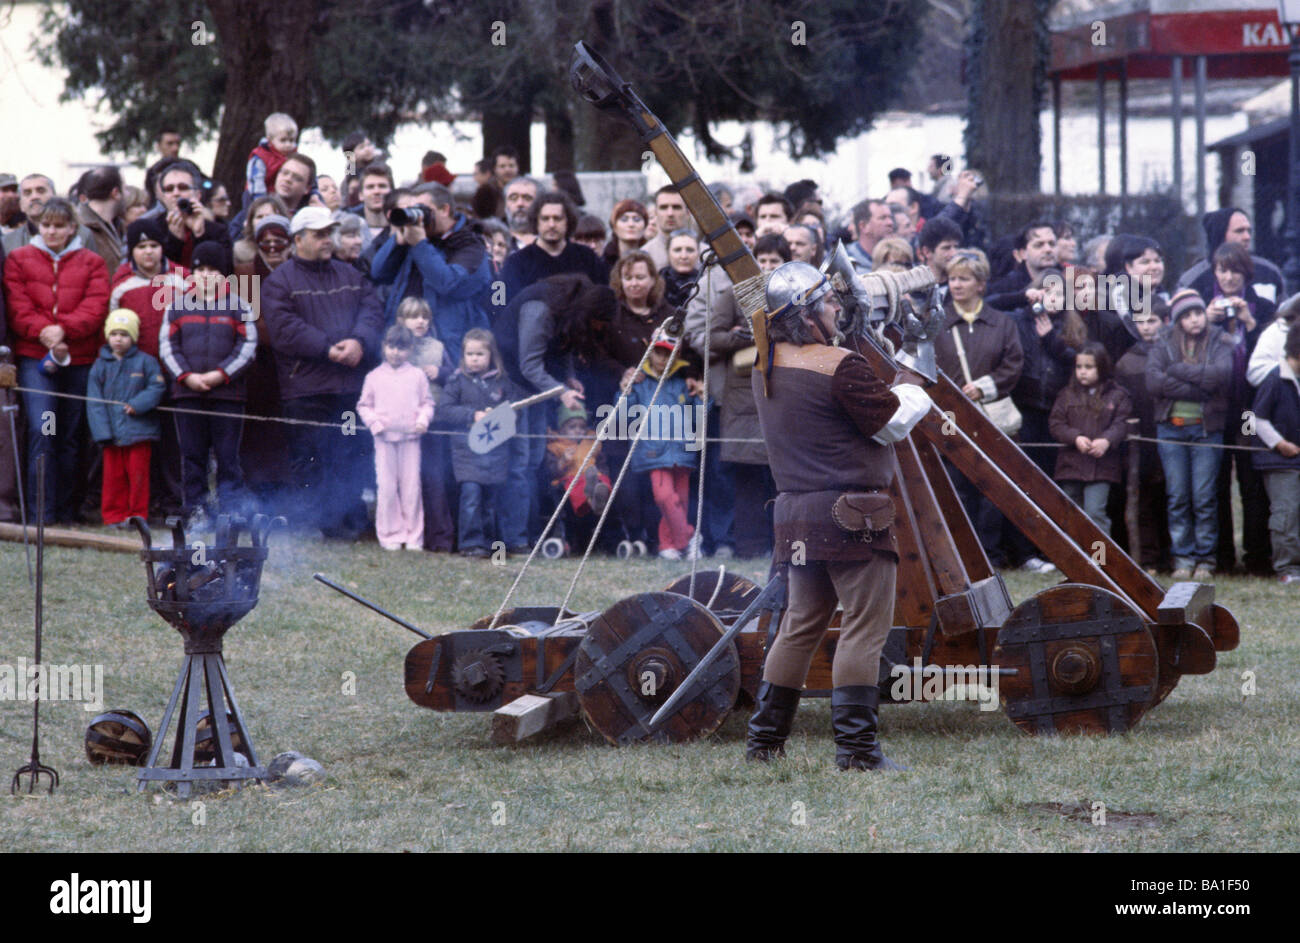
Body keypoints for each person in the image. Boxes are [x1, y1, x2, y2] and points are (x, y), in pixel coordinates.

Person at [745, 260, 932, 770]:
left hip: (796, 515)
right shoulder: (837, 365)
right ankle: (856, 752)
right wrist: (917, 368)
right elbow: (892, 424)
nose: (837, 308)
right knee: (865, 630)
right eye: (828, 303)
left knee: (800, 625)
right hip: (852, 513)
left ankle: (764, 745)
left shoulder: (766, 361)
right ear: (806, 318)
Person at [260, 206, 385, 539]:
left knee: (349, 453)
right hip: (306, 389)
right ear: (298, 239)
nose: (327, 240)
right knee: (309, 458)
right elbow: (285, 329)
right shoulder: (279, 281)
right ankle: (314, 524)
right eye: (318, 234)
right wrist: (328, 348)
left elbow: (372, 311)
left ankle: (352, 522)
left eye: (329, 232)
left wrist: (359, 341)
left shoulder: (350, 274)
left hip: (348, 386)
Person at [3, 197, 109, 522]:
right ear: (38, 225)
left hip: (78, 360)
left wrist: (63, 332)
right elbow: (18, 307)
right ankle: (40, 512)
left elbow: (95, 306)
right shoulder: (19, 259)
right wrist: (45, 333)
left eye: (59, 226)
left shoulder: (92, 262)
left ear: (71, 228)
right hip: (38, 362)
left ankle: (67, 510)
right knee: (44, 428)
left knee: (70, 434)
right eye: (47, 225)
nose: (52, 231)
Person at [933, 248, 1023, 568]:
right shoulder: (937, 322)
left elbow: (1014, 364)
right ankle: (960, 556)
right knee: (956, 489)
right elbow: (925, 367)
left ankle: (991, 556)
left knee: (993, 491)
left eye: (964, 279)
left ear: (981, 284)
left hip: (990, 420)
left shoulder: (1002, 323)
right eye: (953, 278)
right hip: (950, 419)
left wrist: (984, 387)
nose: (956, 285)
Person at [158, 242, 258, 528]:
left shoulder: (240, 306)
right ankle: (197, 511)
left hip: (228, 395)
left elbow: (248, 346)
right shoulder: (176, 307)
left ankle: (231, 511)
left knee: (228, 457)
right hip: (187, 394)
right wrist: (187, 376)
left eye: (213, 270)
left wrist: (220, 375)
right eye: (200, 269)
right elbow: (167, 346)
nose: (206, 276)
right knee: (192, 456)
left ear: (224, 275)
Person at [1147, 289, 1235, 580]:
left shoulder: (1221, 340)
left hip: (1206, 430)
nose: (1194, 320)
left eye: (1198, 313)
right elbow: (1154, 382)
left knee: (1204, 496)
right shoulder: (1162, 342)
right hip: (1170, 428)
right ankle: (1183, 557)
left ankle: (1206, 559)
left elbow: (1220, 375)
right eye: (1186, 315)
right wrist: (1198, 384)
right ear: (1177, 320)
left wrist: (1176, 371)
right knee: (1178, 495)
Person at [110, 216, 190, 517]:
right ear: (132, 250)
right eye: (141, 246)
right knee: (143, 439)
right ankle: (147, 500)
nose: (148, 252)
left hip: (176, 371)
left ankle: (175, 500)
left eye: (154, 245)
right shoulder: (121, 286)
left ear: (163, 247)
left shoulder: (183, 279)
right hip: (138, 376)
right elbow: (112, 330)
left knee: (174, 439)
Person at [1207, 241, 1275, 574]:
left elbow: (1271, 354)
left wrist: (1250, 322)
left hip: (1248, 411)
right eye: (1222, 269)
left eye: (1235, 269)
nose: (1229, 276)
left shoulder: (1261, 306)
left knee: (1250, 481)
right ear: (1215, 272)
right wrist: (1207, 320)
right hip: (1217, 410)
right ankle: (1221, 558)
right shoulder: (1203, 306)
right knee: (1216, 481)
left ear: (1244, 271)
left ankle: (1256, 557)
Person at [370, 182, 492, 363]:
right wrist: (397, 241)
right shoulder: (416, 237)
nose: (419, 216)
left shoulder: (470, 243)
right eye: (414, 210)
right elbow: (378, 273)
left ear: (444, 209)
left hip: (447, 349)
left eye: (423, 210)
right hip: (403, 344)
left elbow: (447, 283)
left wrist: (419, 244)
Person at [622, 329, 704, 559]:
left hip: (683, 451)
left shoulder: (682, 383)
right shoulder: (640, 382)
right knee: (664, 496)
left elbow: (699, 419)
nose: (662, 359)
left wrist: (701, 398)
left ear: (677, 355)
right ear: (649, 352)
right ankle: (688, 536)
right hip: (653, 452)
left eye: (668, 354)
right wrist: (625, 393)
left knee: (681, 500)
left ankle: (668, 545)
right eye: (658, 352)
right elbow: (622, 417)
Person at [437, 328, 516, 557]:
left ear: (491, 356)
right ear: (463, 355)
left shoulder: (502, 382)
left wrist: (498, 415)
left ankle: (490, 542)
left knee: (491, 499)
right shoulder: (456, 381)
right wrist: (473, 415)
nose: (474, 359)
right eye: (470, 354)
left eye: (480, 354)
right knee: (471, 496)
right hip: (466, 450)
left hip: (495, 451)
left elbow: (513, 412)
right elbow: (446, 410)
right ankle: (470, 543)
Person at [86, 309, 166, 527]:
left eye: (124, 334)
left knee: (138, 477)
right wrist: (102, 432)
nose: (118, 339)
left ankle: (137, 516)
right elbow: (94, 402)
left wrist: (139, 404)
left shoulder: (146, 362)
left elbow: (157, 386)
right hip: (111, 435)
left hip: (139, 432)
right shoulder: (100, 365)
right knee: (113, 478)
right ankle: (113, 516)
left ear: (133, 337)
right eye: (114, 334)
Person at [356, 325, 433, 551]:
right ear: (384, 347)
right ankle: (390, 534)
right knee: (387, 488)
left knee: (411, 488)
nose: (395, 353)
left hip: (410, 439)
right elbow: (363, 405)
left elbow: (427, 403)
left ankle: (413, 536)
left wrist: (422, 421)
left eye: (401, 348)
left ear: (410, 350)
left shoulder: (417, 376)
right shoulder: (374, 377)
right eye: (391, 347)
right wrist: (375, 423)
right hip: (384, 440)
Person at [1049, 342, 1131, 531]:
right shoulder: (1066, 394)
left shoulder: (1117, 395)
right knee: (1072, 513)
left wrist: (1107, 440)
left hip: (1101, 466)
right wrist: (1075, 438)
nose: (1083, 372)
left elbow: (1122, 423)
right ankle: (1074, 558)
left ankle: (1099, 558)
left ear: (1101, 368)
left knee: (1095, 513)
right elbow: (1056, 424)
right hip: (1071, 464)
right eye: (1079, 367)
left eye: (1089, 367)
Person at [395, 296, 455, 552]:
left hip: (434, 424)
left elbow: (455, 377)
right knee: (406, 481)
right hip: (402, 426)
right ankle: (408, 535)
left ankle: (440, 538)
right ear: (401, 321)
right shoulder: (394, 347)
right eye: (413, 316)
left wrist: (440, 373)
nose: (420, 321)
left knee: (435, 479)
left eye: (424, 316)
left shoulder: (438, 348)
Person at [1115, 303, 1172, 572]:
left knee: (1172, 496)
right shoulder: (1126, 362)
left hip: (1172, 433)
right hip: (1142, 439)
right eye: (1141, 322)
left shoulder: (1174, 353)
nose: (1147, 327)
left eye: (1152, 320)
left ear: (1164, 321)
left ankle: (1171, 555)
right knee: (1145, 498)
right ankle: (1148, 558)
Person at [1251, 322, 1300, 584]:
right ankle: (1287, 568)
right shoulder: (1274, 378)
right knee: (1286, 514)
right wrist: (1279, 443)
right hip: (1279, 461)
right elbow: (1254, 419)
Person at [499, 191, 607, 301]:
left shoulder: (587, 258)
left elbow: (603, 298)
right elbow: (502, 304)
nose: (551, 225)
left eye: (557, 218)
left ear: (567, 221)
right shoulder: (517, 262)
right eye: (545, 219)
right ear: (536, 222)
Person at [1179, 207, 1284, 306]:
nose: (1247, 237)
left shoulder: (1269, 273)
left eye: (1249, 231)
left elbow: (1286, 316)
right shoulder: (1193, 280)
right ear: (1220, 234)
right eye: (1239, 231)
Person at [157, 163, 230, 268]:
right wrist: (175, 241)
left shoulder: (218, 231)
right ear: (163, 197)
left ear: (198, 195)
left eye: (183, 187)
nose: (176, 193)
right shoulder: (154, 229)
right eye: (169, 189)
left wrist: (200, 234)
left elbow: (224, 270)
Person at [243, 112, 298, 208]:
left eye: (291, 140)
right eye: (283, 140)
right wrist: (260, 200)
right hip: (255, 194)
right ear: (270, 140)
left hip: (279, 196)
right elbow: (256, 179)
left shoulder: (294, 157)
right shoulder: (261, 157)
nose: (288, 144)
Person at [77, 165, 125, 274]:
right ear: (116, 193)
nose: (126, 195)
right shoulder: (80, 230)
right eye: (125, 189)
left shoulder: (118, 225)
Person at [642, 185, 689, 270]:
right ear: (656, 212)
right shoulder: (644, 256)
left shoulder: (705, 256)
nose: (670, 213)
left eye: (676, 207)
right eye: (663, 207)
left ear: (688, 213)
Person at [844, 199, 894, 272]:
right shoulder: (847, 265)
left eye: (890, 217)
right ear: (864, 226)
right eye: (883, 218)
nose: (890, 223)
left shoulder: (899, 257)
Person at [602, 198, 648, 268]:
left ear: (645, 226)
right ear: (614, 227)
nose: (631, 224)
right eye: (624, 219)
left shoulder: (652, 258)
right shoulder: (603, 263)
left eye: (637, 219)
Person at [661, 229, 700, 309]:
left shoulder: (705, 283)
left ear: (698, 253)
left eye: (690, 250)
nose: (684, 256)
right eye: (677, 250)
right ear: (668, 252)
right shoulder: (656, 282)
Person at [502, 176, 539, 251]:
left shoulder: (551, 243)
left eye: (527, 198)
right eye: (513, 198)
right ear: (505, 205)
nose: (520, 204)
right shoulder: (495, 242)